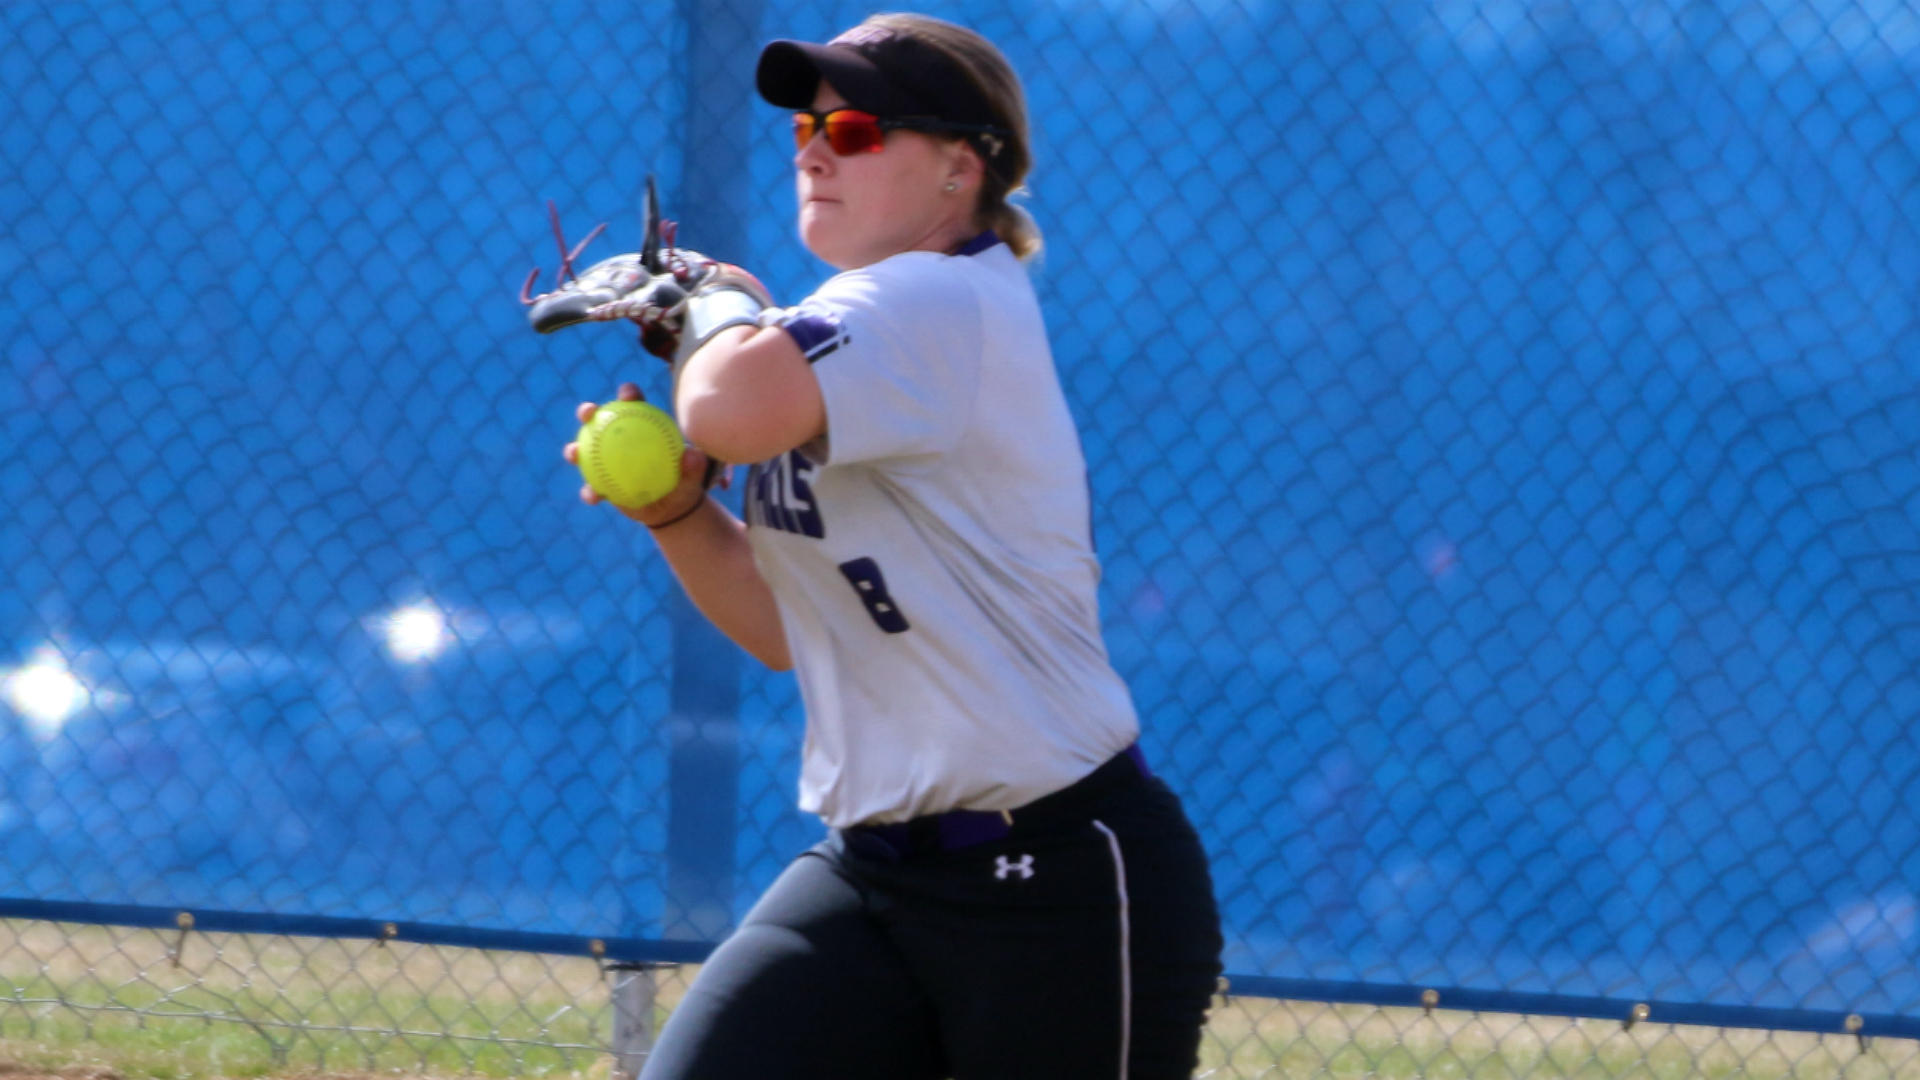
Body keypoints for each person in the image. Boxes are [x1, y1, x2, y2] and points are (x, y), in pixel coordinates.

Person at [561, 14, 1223, 1079]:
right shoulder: (856, 328)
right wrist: (680, 515)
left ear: (964, 165)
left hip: (1054, 881)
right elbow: (788, 628)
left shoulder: (939, 296)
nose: (815, 151)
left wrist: (720, 302)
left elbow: (725, 410)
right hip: (871, 876)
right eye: (805, 130)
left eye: (857, 130)